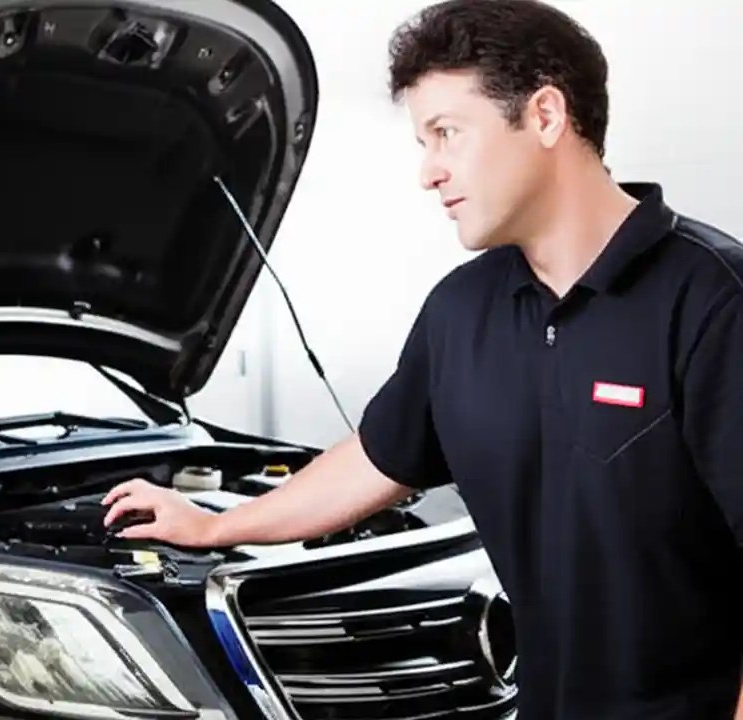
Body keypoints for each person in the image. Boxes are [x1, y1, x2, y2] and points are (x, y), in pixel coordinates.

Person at [103, 1, 743, 718]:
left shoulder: (714, 301)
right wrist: (215, 526)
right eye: (422, 142)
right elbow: (376, 458)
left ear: (545, 115)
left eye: (447, 134)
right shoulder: (461, 310)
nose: (429, 173)